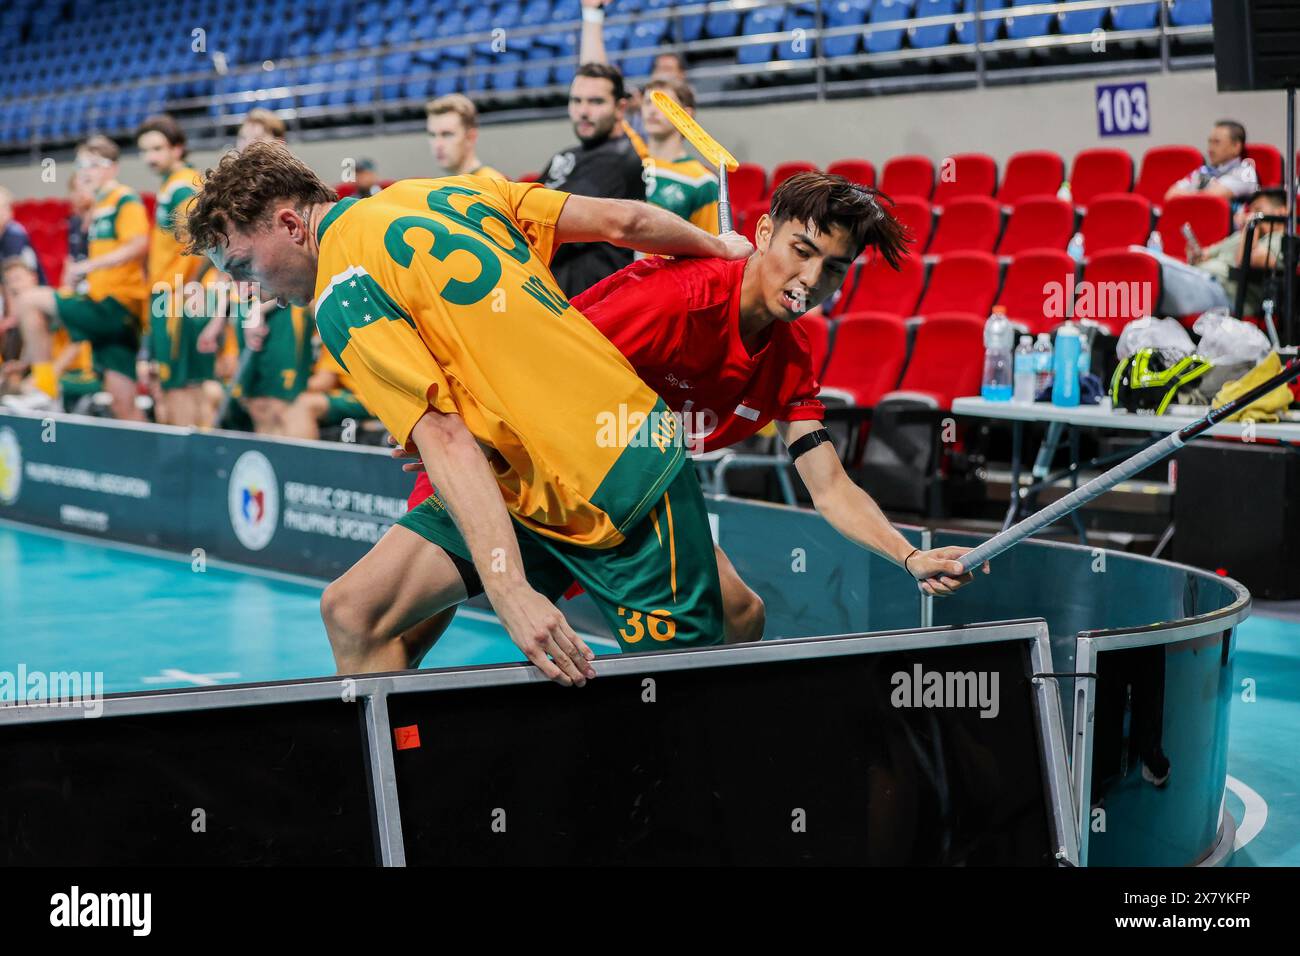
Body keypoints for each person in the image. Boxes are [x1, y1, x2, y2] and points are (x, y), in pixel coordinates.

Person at [180, 142, 752, 684]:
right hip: (517, 474)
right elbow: (621, 224)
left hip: (611, 474)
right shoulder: (446, 192)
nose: (256, 294)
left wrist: (508, 592)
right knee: (356, 611)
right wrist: (720, 247)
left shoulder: (342, 291)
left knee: (686, 689)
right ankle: (393, 780)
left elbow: (444, 439)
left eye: (244, 269)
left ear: (289, 225)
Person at [402, 172, 988, 651]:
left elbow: (829, 486)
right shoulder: (674, 300)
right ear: (763, 232)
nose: (810, 279)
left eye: (833, 268)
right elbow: (536, 355)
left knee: (739, 615)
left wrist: (909, 556)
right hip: (514, 457)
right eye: (801, 251)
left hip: (623, 492)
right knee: (403, 625)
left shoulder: (789, 356)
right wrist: (461, 431)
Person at [3, 135, 147, 419]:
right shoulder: (96, 210)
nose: (86, 171)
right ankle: (150, 460)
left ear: (113, 168)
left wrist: (90, 266)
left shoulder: (124, 200)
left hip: (114, 305)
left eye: (94, 164)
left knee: (29, 301)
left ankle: (45, 392)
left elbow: (139, 243)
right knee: (123, 404)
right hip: (106, 311)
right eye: (82, 165)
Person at [541, 63, 646, 298]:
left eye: (596, 102)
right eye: (576, 101)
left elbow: (550, 221)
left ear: (620, 108)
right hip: (552, 296)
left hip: (589, 304)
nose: (583, 111)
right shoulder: (565, 156)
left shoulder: (622, 160)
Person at [137, 114, 216, 427]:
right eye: (145, 151)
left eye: (157, 149)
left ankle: (187, 464)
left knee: (177, 387)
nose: (150, 157)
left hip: (175, 297)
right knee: (187, 384)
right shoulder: (174, 185)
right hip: (174, 294)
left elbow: (207, 239)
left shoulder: (181, 188)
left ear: (178, 148)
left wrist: (189, 285)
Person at [1191, 188, 1290, 316]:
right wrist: (1194, 254)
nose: (1251, 215)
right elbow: (1204, 255)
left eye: (1258, 210)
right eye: (1251, 211)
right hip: (1201, 281)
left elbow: (1245, 260)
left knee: (1159, 275)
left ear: (1282, 212)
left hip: (1232, 297)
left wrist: (1250, 228)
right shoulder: (1241, 235)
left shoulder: (1281, 240)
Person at [280, 342, 373, 441]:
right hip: (333, 394)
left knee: (301, 403)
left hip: (362, 397)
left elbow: (324, 382)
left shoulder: (325, 331)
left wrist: (279, 387)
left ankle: (301, 455)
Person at [1164, 120, 1258, 204]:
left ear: (1236, 147)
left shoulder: (1245, 173)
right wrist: (1196, 195)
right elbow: (1170, 196)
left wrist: (1186, 195)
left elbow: (1208, 200)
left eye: (1217, 142)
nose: (1210, 148)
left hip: (1228, 223)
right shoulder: (1204, 170)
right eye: (1210, 142)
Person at [425, 94, 506, 181]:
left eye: (447, 134)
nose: (437, 145)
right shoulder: (452, 184)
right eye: (432, 135)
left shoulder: (491, 183)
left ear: (471, 137)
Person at [0, 186, 45, 285]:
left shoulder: (15, 234)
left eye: (4, 207)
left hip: (26, 289)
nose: (2, 212)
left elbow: (9, 270)